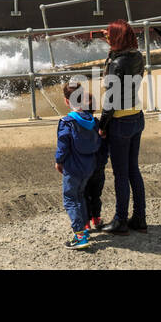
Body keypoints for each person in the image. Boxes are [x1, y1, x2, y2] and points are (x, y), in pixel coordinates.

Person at [97, 20, 147, 234]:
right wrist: (110, 39)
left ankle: (120, 220)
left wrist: (102, 125)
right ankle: (139, 218)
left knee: (121, 174)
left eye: (110, 36)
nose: (107, 38)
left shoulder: (117, 64)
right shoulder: (137, 56)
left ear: (117, 39)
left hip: (120, 121)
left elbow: (111, 99)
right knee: (133, 170)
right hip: (136, 116)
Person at [55, 79, 101, 249]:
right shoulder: (92, 120)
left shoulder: (67, 122)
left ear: (67, 101)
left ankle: (80, 235)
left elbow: (63, 145)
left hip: (73, 168)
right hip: (89, 166)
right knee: (80, 195)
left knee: (69, 198)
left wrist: (59, 161)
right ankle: (84, 227)